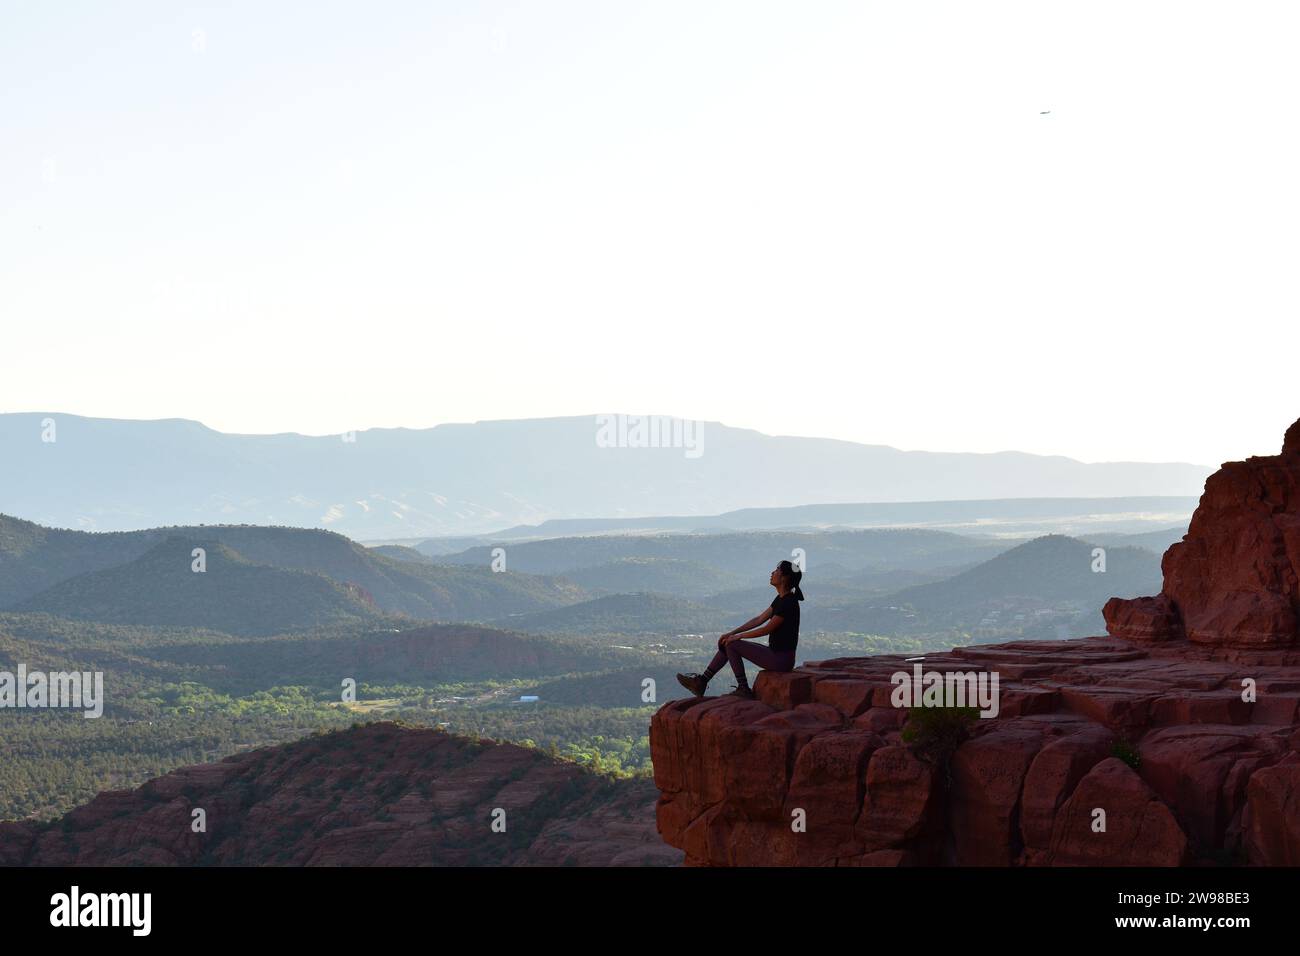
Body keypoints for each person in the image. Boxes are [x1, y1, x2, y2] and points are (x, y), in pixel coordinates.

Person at [676, 559, 804, 700]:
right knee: (728, 642)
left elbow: (766, 629)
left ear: (784, 577)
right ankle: (701, 681)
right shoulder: (781, 599)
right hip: (775, 654)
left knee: (732, 644)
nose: (772, 572)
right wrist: (732, 633)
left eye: (777, 570)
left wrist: (738, 637)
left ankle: (743, 688)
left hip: (781, 660)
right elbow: (759, 620)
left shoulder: (789, 603)